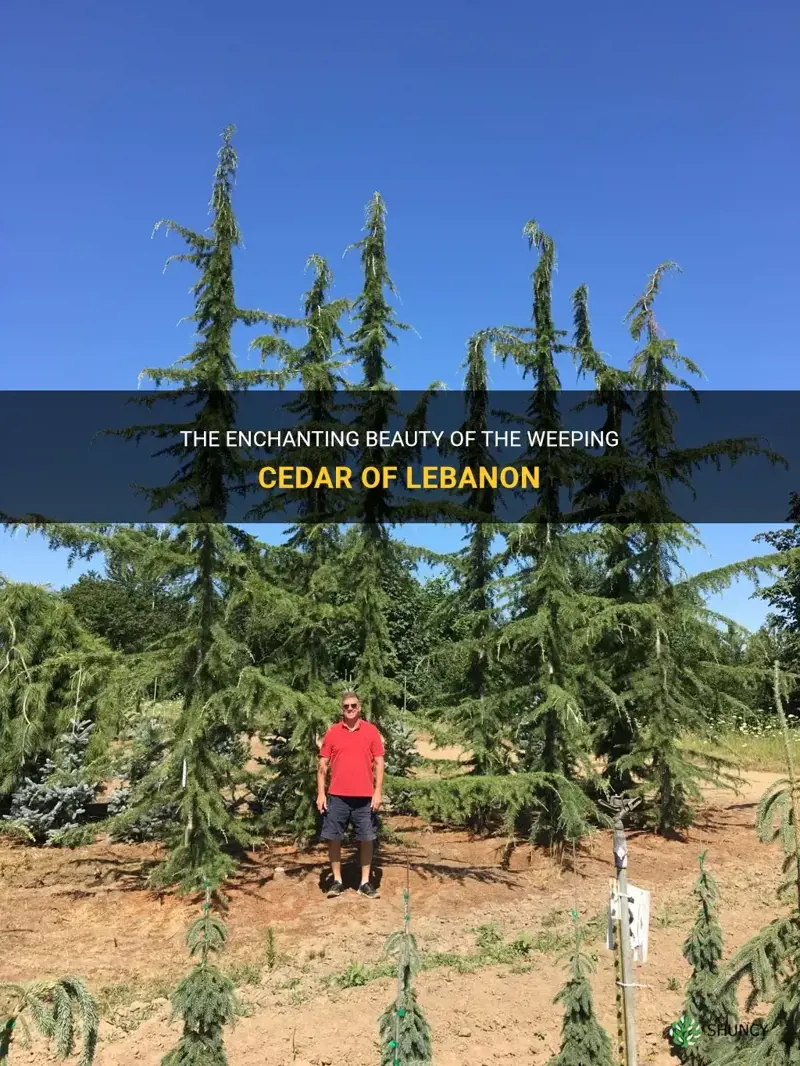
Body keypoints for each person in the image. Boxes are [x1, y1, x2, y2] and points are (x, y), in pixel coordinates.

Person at [317, 690, 385, 898]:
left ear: (360, 707)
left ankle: (365, 883)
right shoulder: (333, 732)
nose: (349, 709)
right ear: (342, 708)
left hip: (364, 797)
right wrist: (321, 793)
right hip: (337, 796)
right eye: (346, 706)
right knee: (334, 838)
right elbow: (322, 764)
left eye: (353, 706)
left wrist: (378, 792)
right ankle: (337, 881)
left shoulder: (371, 731)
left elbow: (380, 762)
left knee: (366, 838)